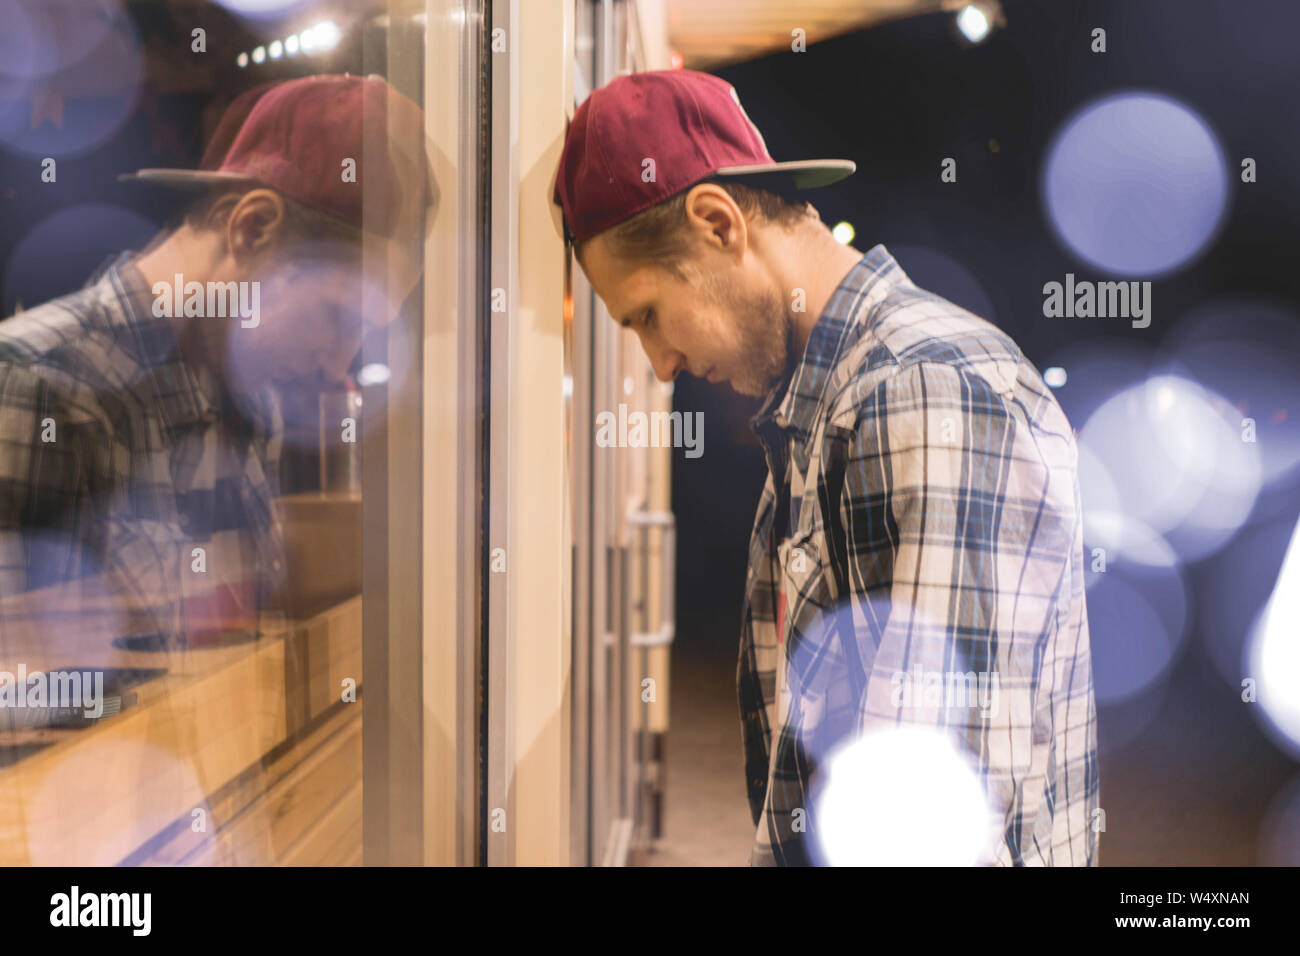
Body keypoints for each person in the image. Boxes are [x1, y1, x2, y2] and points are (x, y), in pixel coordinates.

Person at [553, 69, 1098, 866]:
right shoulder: (832, 397)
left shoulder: (917, 391)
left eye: (647, 314)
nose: (660, 362)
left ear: (718, 224)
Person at [0, 74, 432, 641]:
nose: (337, 365)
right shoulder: (36, 386)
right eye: (336, 315)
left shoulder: (245, 399)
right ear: (252, 228)